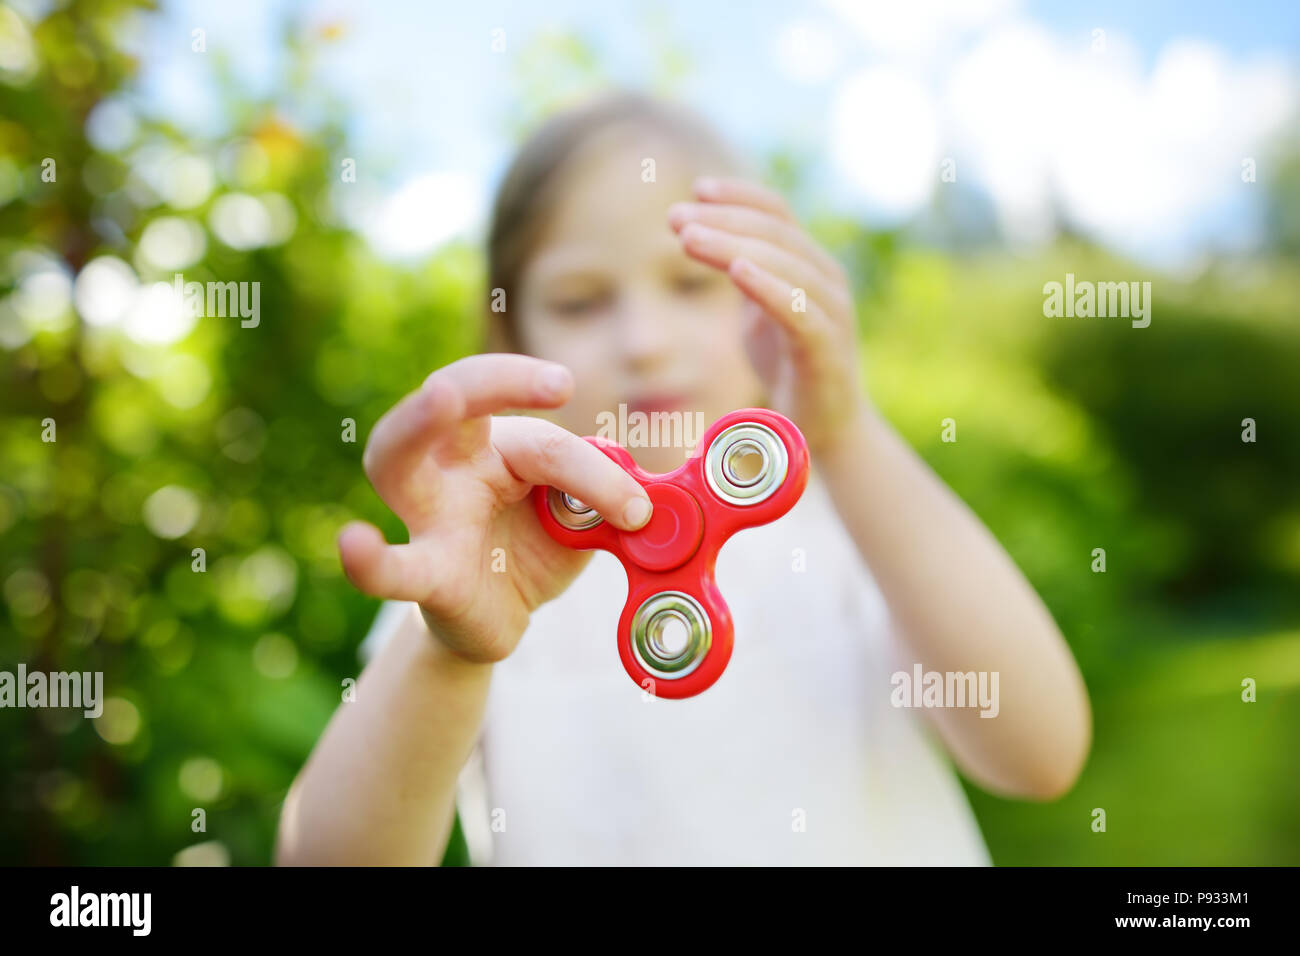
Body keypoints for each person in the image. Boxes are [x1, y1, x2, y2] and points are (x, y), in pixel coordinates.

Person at [275, 90, 1092, 866]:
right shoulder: (484, 573)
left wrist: (845, 434)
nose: (645, 341)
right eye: (581, 301)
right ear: (511, 329)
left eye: (694, 283)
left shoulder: (851, 522)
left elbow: (1040, 754)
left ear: (767, 300)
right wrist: (448, 652)